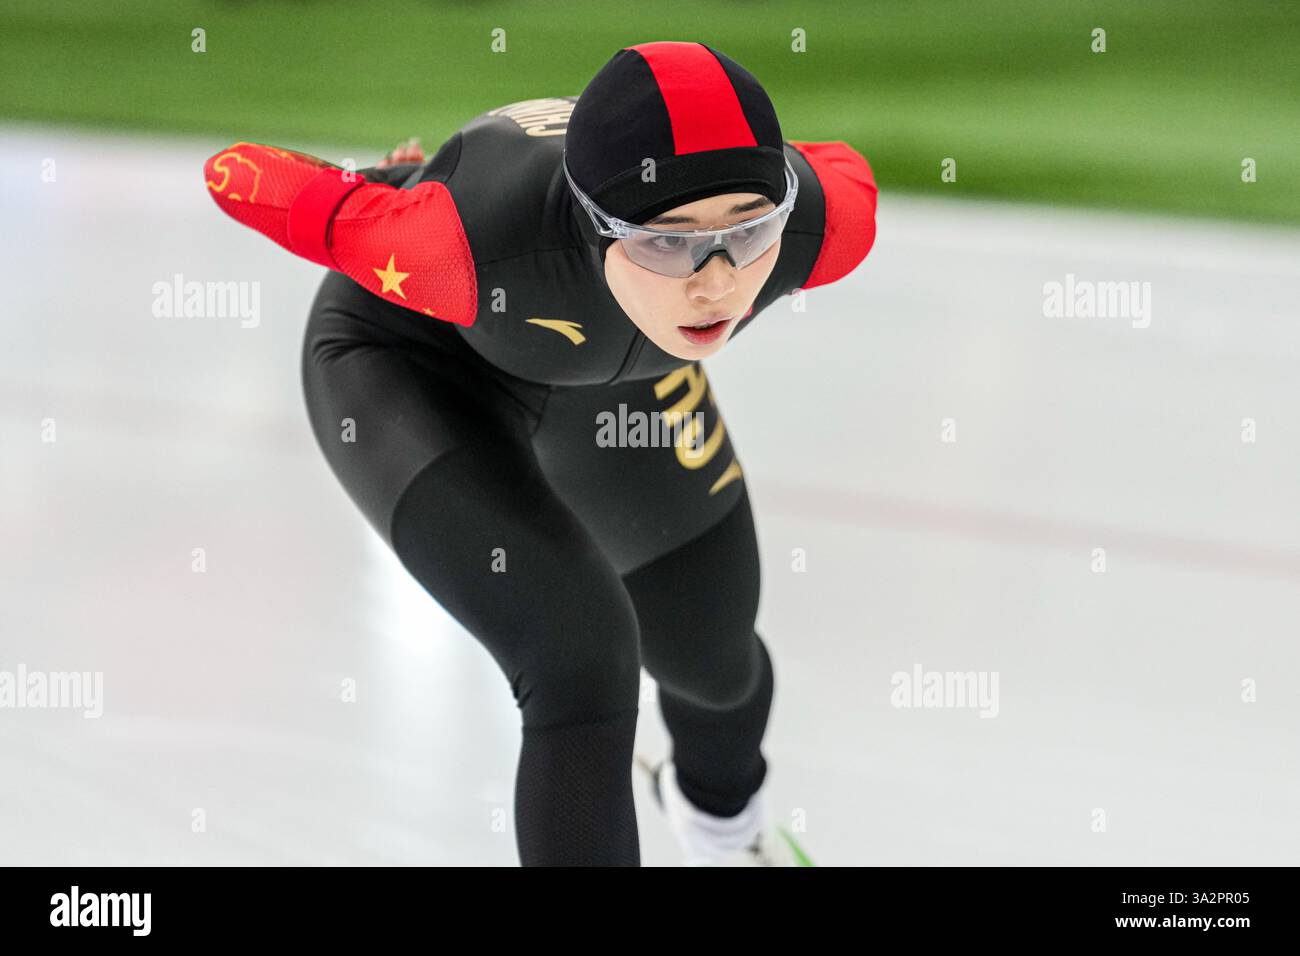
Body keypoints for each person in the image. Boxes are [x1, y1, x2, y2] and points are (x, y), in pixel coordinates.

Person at [202, 39, 877, 866]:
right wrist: (376, 198)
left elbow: (842, 167)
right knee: (581, 657)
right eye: (666, 241)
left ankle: (725, 831)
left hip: (614, 379)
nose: (715, 283)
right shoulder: (456, 247)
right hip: (415, 365)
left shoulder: (818, 226)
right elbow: (239, 174)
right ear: (595, 226)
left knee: (713, 660)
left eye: (745, 230)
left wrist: (717, 236)